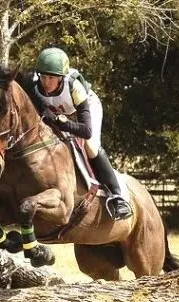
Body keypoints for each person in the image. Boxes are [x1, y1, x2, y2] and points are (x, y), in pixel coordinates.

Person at [32, 47, 133, 221]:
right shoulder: (33, 83)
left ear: (61, 78)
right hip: (60, 114)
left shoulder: (74, 87)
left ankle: (117, 197)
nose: (47, 82)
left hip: (85, 111)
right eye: (44, 77)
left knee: (91, 146)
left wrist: (60, 122)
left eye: (52, 78)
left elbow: (86, 131)